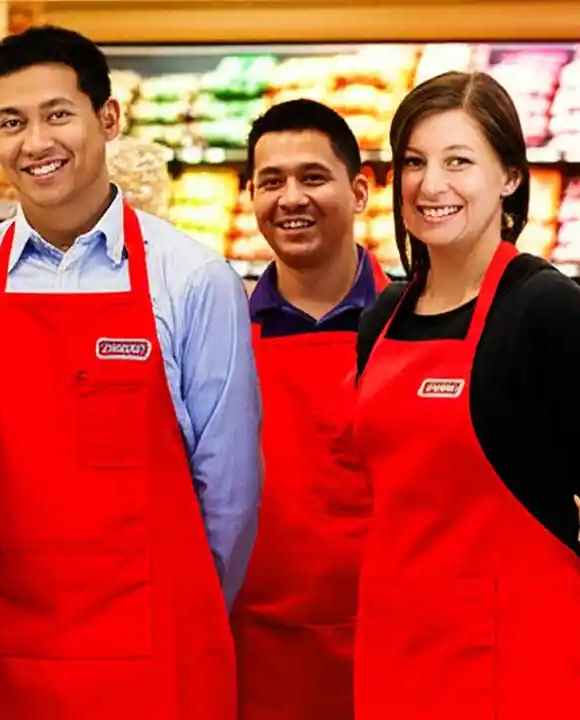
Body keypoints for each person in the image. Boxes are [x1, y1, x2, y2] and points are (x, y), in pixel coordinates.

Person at [0, 25, 261, 720]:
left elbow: (229, 491)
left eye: (57, 114)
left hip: (162, 656)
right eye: (11, 123)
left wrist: (187, 610)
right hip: (9, 652)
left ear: (108, 118)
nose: (36, 142)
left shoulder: (193, 280)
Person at [355, 71, 580, 718]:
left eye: (460, 161)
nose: (431, 185)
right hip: (396, 648)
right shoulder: (384, 317)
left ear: (510, 175)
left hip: (517, 664)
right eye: (415, 162)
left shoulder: (546, 311)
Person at [230, 99, 387, 720]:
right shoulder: (220, 332)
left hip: (391, 642)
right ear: (251, 196)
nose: (290, 197)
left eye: (313, 177)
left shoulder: (414, 327)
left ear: (359, 191)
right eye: (272, 181)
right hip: (255, 654)